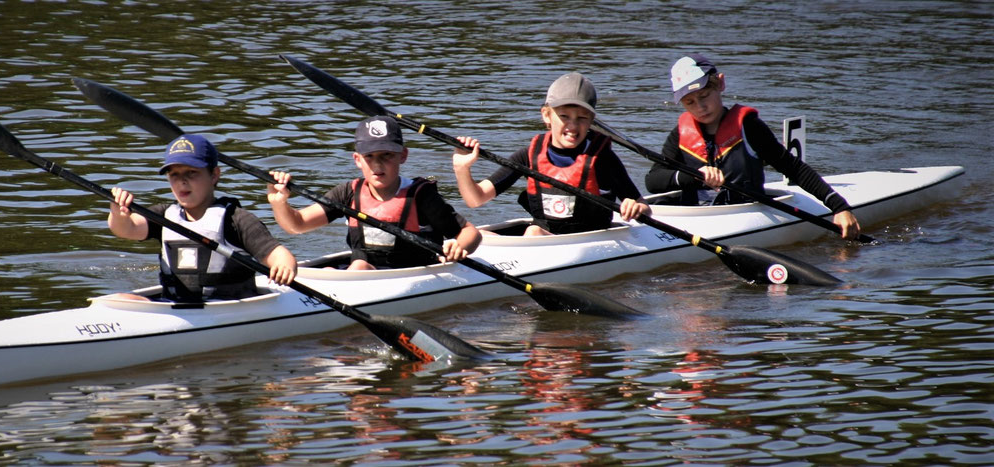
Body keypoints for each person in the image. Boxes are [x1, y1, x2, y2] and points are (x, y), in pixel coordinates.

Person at [645, 53, 861, 240]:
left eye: (704, 96)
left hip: (745, 213)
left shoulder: (750, 127)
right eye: (690, 102)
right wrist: (692, 176)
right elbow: (653, 181)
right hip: (694, 219)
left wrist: (840, 207)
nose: (700, 107)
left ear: (720, 83)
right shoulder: (680, 134)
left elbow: (794, 168)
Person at [267, 116, 481, 270]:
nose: (378, 164)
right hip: (362, 276)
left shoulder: (420, 196)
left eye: (387, 155)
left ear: (403, 156)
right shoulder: (348, 192)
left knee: (359, 266)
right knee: (343, 268)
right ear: (357, 160)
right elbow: (297, 224)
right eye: (369, 156)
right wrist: (279, 203)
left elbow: (471, 233)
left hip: (410, 273)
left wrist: (458, 248)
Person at [451, 72, 650, 236]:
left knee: (533, 233)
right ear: (546, 115)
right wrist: (461, 167)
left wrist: (636, 208)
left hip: (588, 239)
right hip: (545, 240)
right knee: (479, 234)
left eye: (582, 118)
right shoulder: (527, 156)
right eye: (564, 116)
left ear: (592, 120)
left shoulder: (602, 159)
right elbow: (475, 199)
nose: (572, 126)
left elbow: (644, 208)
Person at [107, 134, 296, 302]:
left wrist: (284, 267)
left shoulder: (237, 220)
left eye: (192, 172)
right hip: (173, 305)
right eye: (174, 174)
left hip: (231, 309)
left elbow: (281, 256)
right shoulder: (164, 215)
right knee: (117, 299)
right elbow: (127, 228)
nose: (182, 181)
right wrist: (118, 213)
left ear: (214, 175)